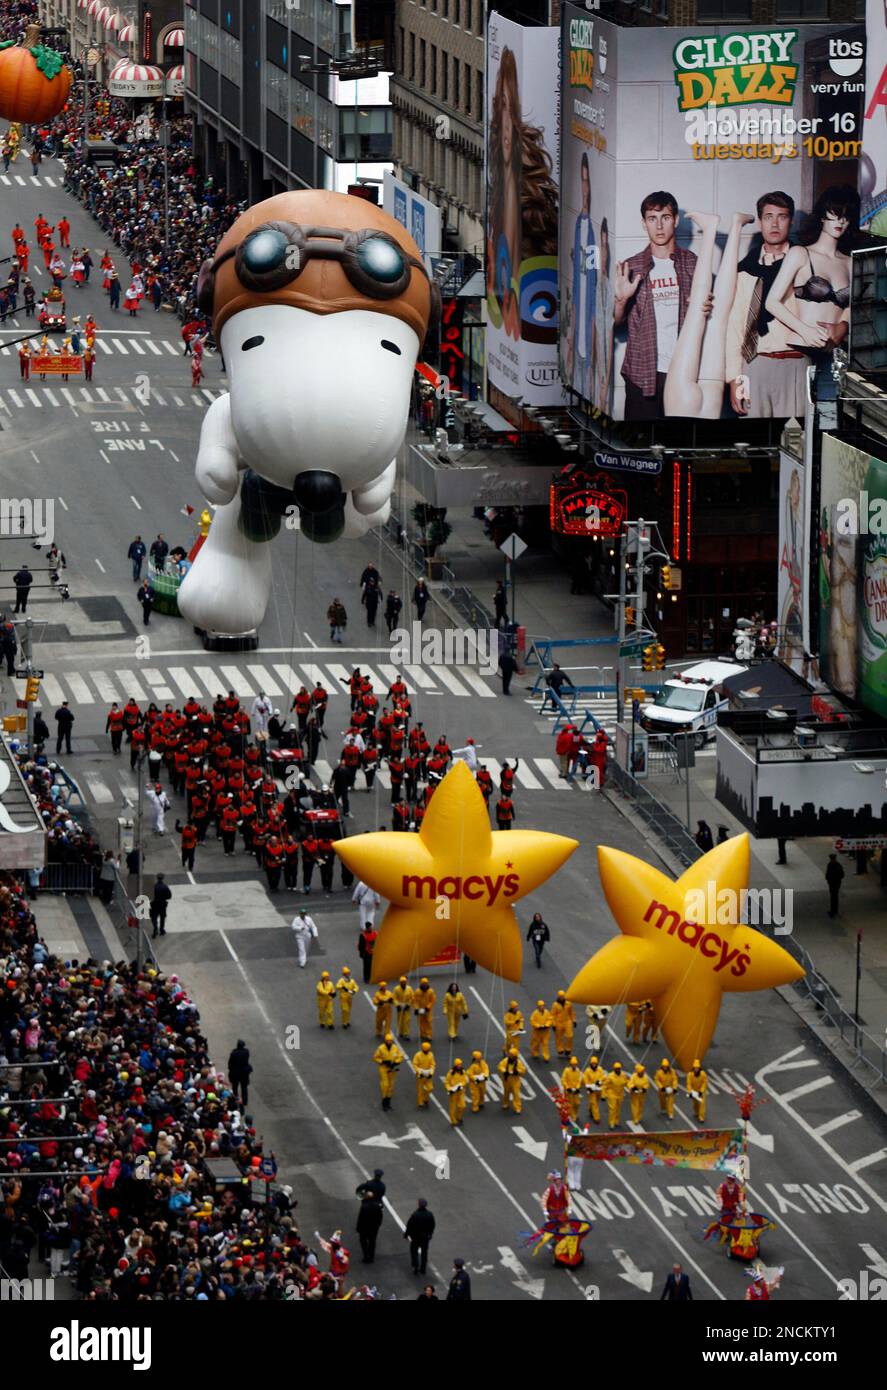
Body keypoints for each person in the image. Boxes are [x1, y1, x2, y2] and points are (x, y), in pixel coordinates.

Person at [615, 191, 699, 420]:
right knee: (641, 446)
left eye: (666, 217)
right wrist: (622, 301)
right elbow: (613, 324)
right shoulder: (631, 267)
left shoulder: (692, 263)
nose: (659, 226)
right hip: (642, 373)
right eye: (652, 218)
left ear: (676, 220)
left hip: (684, 371)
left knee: (681, 444)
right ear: (644, 223)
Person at [663, 208, 752, 419]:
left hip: (711, 404)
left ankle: (737, 225)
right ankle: (710, 228)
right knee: (699, 308)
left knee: (718, 318)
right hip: (681, 402)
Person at [724, 191, 804, 418]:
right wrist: (734, 379)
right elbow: (735, 328)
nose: (775, 223)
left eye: (782, 216)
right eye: (769, 217)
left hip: (796, 363)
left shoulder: (803, 263)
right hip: (755, 365)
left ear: (791, 221)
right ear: (760, 222)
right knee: (754, 438)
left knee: (796, 440)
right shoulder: (745, 270)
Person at [765, 186, 855, 371]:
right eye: (835, 214)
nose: (841, 221)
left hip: (836, 354)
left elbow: (853, 307)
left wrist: (843, 327)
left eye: (846, 216)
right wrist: (805, 331)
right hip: (801, 347)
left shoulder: (850, 262)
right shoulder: (800, 253)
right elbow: (772, 302)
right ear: (822, 216)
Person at [569, 151, 597, 400]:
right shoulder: (578, 224)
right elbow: (576, 288)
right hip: (577, 343)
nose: (584, 188)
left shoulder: (597, 230)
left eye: (588, 182)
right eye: (582, 181)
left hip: (590, 346)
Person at [355, 1171, 385, 1262]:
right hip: (376, 1214)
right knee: (372, 1240)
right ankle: (371, 1256)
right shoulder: (382, 1186)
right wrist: (378, 1224)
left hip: (365, 1223)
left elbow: (359, 1189)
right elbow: (380, 1217)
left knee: (363, 1239)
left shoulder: (369, 1184)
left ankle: (366, 1255)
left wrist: (358, 1227)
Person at [373, 1032, 403, 1111]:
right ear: (385, 1041)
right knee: (385, 1085)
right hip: (383, 1068)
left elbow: (400, 1056)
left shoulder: (395, 1048)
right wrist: (383, 1061)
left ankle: (388, 1102)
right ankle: (384, 1102)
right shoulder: (381, 1048)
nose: (389, 1042)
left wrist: (396, 1062)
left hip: (392, 1069)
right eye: (388, 1041)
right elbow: (375, 1057)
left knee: (391, 1086)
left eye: (391, 1041)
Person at [404, 1198, 435, 1274]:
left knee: (414, 1251)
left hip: (416, 1237)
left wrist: (406, 1234)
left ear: (419, 1205)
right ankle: (423, 1268)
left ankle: (415, 1265)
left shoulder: (415, 1215)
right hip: (425, 1237)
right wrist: (430, 1234)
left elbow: (409, 1225)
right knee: (424, 1252)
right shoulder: (430, 1215)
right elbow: (432, 1225)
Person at [499, 1046, 526, 1114]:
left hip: (515, 1081)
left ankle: (517, 1107)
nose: (509, 1055)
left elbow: (523, 1070)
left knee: (516, 1094)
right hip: (507, 1080)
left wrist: (516, 1071)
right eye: (509, 1054)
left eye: (511, 1054)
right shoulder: (506, 1060)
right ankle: (506, 1103)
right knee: (506, 1093)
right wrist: (504, 1071)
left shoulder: (518, 1062)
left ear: (514, 1056)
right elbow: (500, 1066)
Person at [227, 1039, 252, 1107]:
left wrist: (230, 1069)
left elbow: (230, 1063)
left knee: (235, 1086)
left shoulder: (234, 1053)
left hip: (235, 1072)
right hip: (244, 1072)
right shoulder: (246, 1052)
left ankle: (235, 1099)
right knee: (244, 1087)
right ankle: (245, 1101)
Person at [603, 1060, 628, 1127]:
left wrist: (632, 1087)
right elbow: (605, 1085)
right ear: (614, 1069)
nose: (618, 1070)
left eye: (619, 1068)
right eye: (616, 1069)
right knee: (612, 1109)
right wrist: (603, 1095)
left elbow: (626, 1082)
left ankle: (616, 1121)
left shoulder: (623, 1075)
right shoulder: (610, 1076)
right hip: (612, 1094)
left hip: (620, 1094)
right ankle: (612, 1122)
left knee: (618, 1109)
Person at [444, 1059, 468, 1126]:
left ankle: (459, 1117)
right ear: (455, 1065)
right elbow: (446, 1082)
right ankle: (453, 1120)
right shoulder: (451, 1073)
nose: (459, 1066)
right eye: (458, 1065)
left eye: (460, 1064)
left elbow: (465, 1080)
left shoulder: (463, 1072)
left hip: (461, 1092)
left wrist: (461, 1085)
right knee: (453, 1108)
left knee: (462, 1106)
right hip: (453, 1093)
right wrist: (449, 1089)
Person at [583, 1055, 606, 1123]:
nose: (594, 1065)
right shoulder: (587, 1071)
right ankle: (596, 1118)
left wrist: (599, 1081)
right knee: (594, 1103)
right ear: (590, 1064)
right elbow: (585, 1080)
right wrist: (588, 1088)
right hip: (591, 1090)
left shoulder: (600, 1069)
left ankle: (590, 1109)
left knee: (595, 1102)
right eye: (592, 1063)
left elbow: (604, 1077)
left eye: (595, 1063)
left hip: (598, 1089)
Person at [150, 873, 172, 938]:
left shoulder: (154, 886)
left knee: (154, 917)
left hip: (154, 904)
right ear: (163, 878)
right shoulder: (165, 887)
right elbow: (169, 896)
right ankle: (161, 930)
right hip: (162, 904)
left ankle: (155, 928)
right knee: (162, 918)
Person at [686, 1058, 708, 1123]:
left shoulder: (703, 1074)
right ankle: (696, 1112)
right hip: (694, 1091)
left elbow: (705, 1083)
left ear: (699, 1068)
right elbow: (688, 1084)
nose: (696, 1069)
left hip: (701, 1091)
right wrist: (690, 1092)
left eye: (697, 1068)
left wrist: (701, 1091)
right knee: (695, 1103)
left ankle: (701, 1117)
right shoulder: (690, 1075)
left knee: (702, 1104)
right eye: (695, 1068)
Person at [826, 852, 844, 918]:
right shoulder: (837, 865)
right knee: (834, 897)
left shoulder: (830, 864)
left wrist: (828, 879)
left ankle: (833, 911)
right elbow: (842, 875)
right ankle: (834, 910)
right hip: (835, 883)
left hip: (834, 883)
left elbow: (828, 873)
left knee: (833, 897)